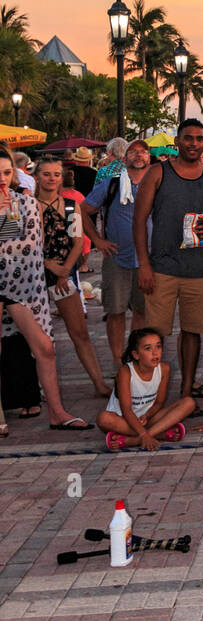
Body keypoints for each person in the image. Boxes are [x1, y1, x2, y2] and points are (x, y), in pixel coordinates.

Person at [133, 118, 203, 415]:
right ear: (178, 141)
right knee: (155, 335)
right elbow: (139, 220)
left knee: (193, 332)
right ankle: (151, 396)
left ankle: (186, 395)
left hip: (199, 267)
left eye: (199, 138)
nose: (193, 143)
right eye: (188, 138)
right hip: (162, 267)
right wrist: (144, 266)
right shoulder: (158, 173)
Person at [0, 148, 87, 430]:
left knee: (45, 348)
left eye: (7, 172)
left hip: (18, 286)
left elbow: (29, 249)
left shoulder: (25, 204)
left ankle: (57, 412)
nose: (2, 179)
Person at [34, 157, 108, 397]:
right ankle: (37, 390)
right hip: (32, 277)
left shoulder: (70, 205)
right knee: (37, 339)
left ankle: (98, 383)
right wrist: (50, 265)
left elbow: (77, 241)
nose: (52, 178)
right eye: (46, 174)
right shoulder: (28, 206)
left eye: (56, 174)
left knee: (80, 333)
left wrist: (65, 269)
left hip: (63, 276)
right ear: (37, 177)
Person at [81, 139, 151, 372]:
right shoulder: (111, 184)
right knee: (116, 311)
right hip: (117, 259)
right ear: (124, 158)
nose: (139, 155)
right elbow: (84, 210)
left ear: (148, 158)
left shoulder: (156, 185)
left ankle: (136, 355)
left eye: (143, 152)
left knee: (142, 311)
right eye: (134, 152)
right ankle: (116, 360)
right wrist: (97, 241)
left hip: (147, 261)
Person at [97, 327, 195, 451]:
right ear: (136, 354)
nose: (155, 353)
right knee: (103, 419)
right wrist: (143, 434)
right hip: (124, 420)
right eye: (148, 348)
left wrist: (147, 415)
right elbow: (126, 410)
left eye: (158, 346)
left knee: (189, 403)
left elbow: (159, 402)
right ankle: (158, 434)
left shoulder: (164, 369)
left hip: (148, 419)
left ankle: (132, 440)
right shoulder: (125, 372)